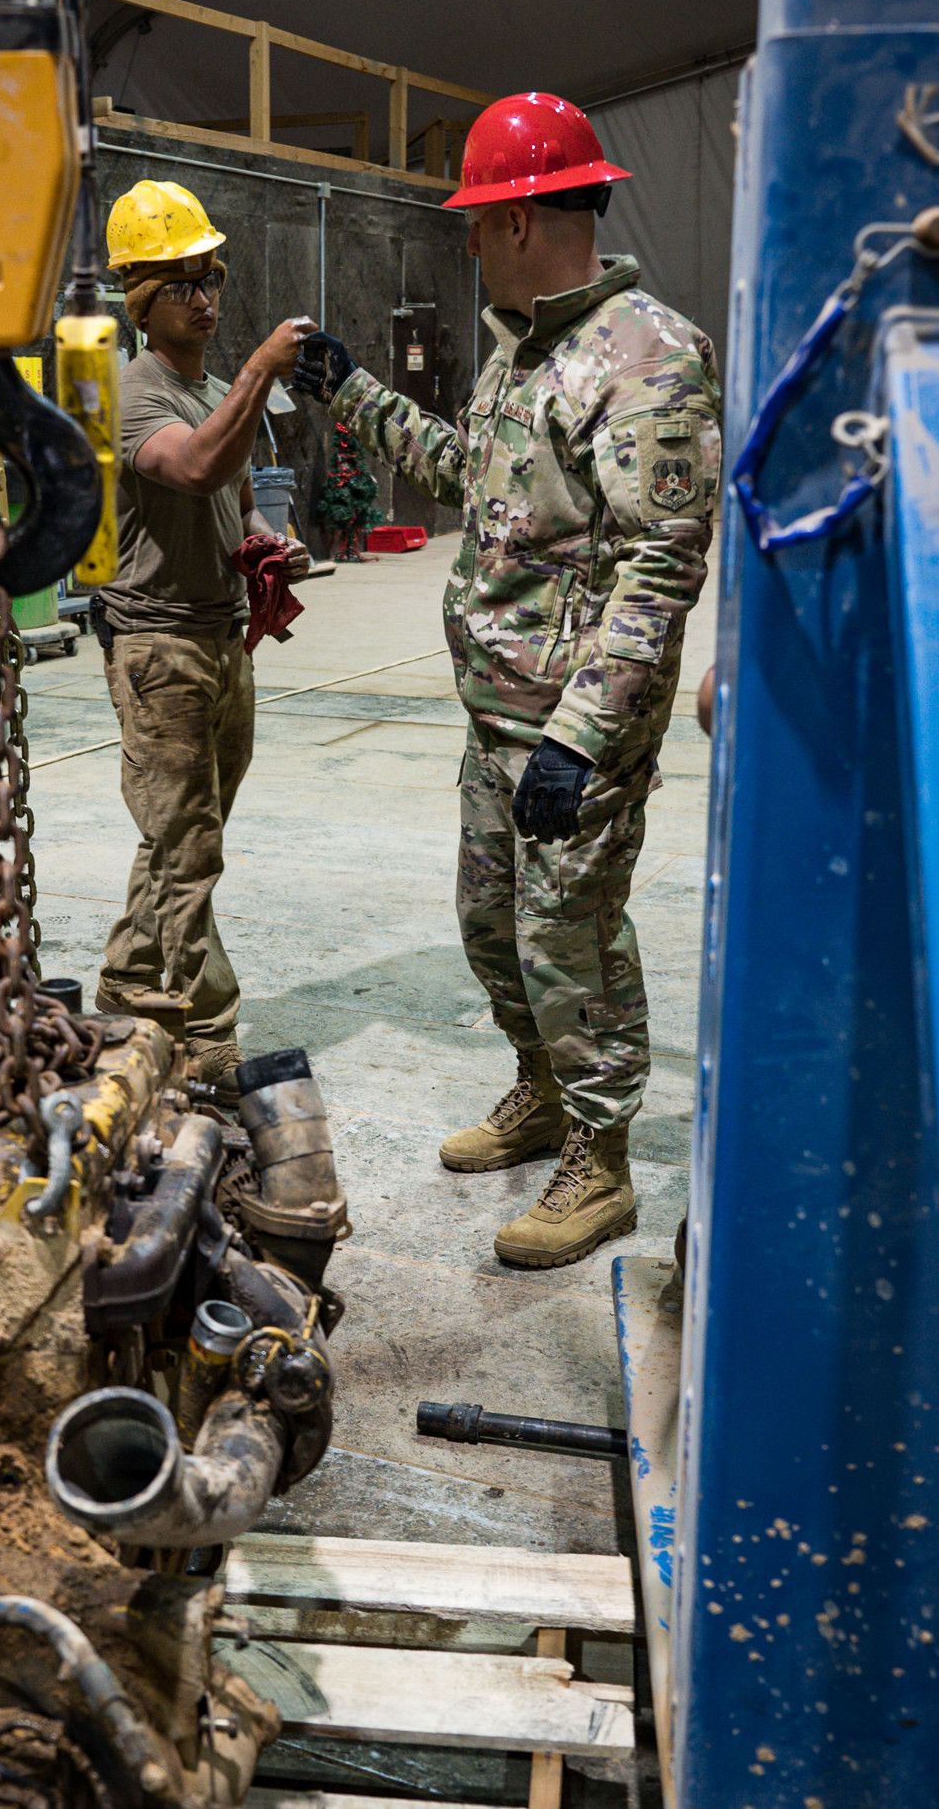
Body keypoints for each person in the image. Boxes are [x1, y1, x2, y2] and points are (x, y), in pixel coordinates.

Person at [291, 94, 720, 1267]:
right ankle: (541, 1091)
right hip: (498, 718)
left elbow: (661, 561)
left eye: (478, 221)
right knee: (495, 931)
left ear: (523, 220)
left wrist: (582, 736)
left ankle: (602, 1158)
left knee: (569, 940)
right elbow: (463, 473)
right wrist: (358, 396)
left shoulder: (649, 358)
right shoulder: (524, 351)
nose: (468, 241)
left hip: (574, 730)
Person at [94, 179, 311, 1103]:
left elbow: (233, 497)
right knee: (185, 850)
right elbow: (190, 466)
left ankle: (152, 1004)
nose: (206, 297)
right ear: (142, 298)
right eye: (183, 281)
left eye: (212, 275)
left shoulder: (216, 387)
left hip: (222, 641)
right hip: (158, 648)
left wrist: (264, 546)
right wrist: (263, 370)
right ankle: (180, 1028)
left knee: (185, 840)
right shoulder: (131, 390)